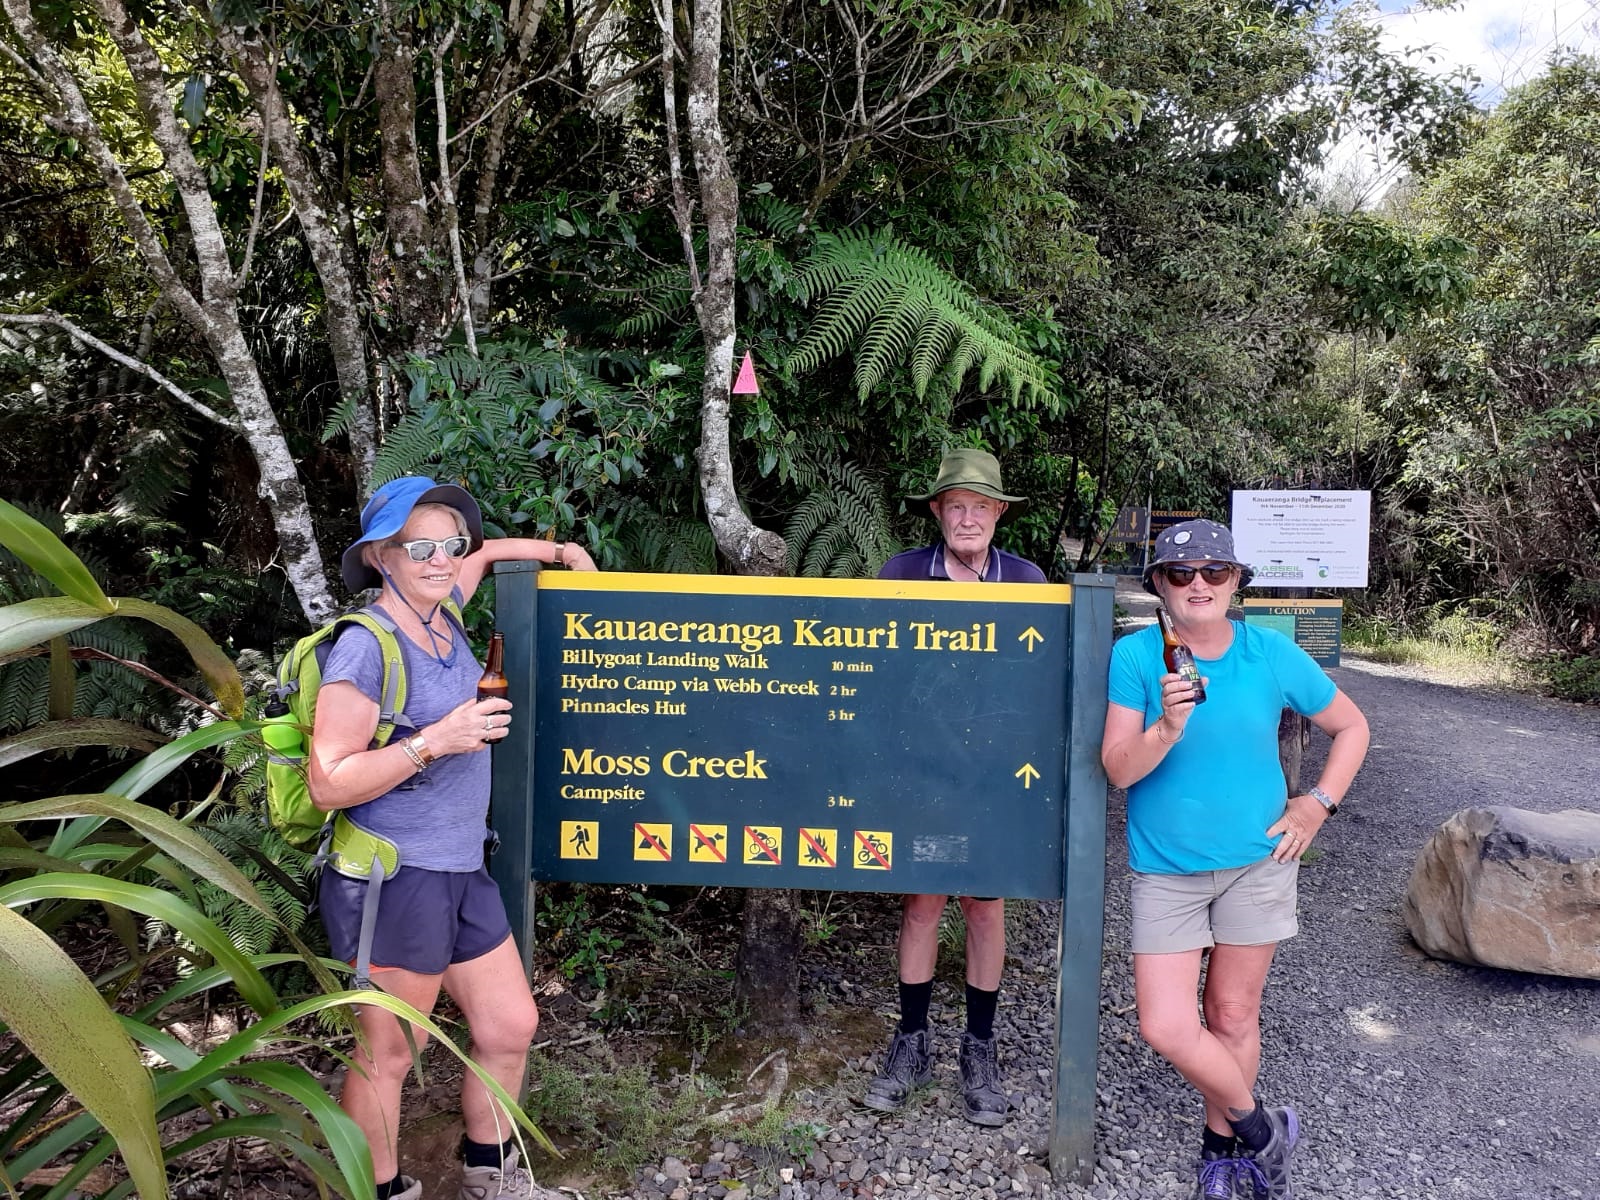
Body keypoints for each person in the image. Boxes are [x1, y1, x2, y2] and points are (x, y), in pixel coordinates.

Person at [309, 476, 597, 1200]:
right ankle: (380, 1191)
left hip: (464, 868)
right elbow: (328, 780)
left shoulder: (445, 613)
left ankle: (491, 1178)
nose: (441, 559)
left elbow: (493, 551)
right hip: (394, 878)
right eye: (420, 548)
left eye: (450, 544)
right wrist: (435, 741)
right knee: (388, 1052)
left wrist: (564, 552)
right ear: (380, 555)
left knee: (510, 1025)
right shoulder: (364, 647)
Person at [1101, 518, 1370, 1200]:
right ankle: (1264, 1131)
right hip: (1167, 867)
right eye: (1181, 574)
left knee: (1231, 1016)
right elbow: (1118, 769)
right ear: (1160, 585)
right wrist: (1167, 725)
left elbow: (1352, 726)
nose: (1199, 585)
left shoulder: (1270, 653)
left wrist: (1317, 803)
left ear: (1235, 583)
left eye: (1214, 573)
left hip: (1259, 860)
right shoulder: (1138, 659)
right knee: (1165, 1024)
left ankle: (1221, 1153)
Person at [865, 448, 1047, 1126]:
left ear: (999, 513)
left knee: (984, 907)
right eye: (956, 505)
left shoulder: (1026, 581)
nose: (968, 517)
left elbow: (1037, 684)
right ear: (938, 512)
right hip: (920, 770)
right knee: (921, 903)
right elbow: (872, 672)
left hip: (992, 777)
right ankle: (910, 1040)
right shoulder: (901, 574)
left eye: (981, 506)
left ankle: (979, 1046)